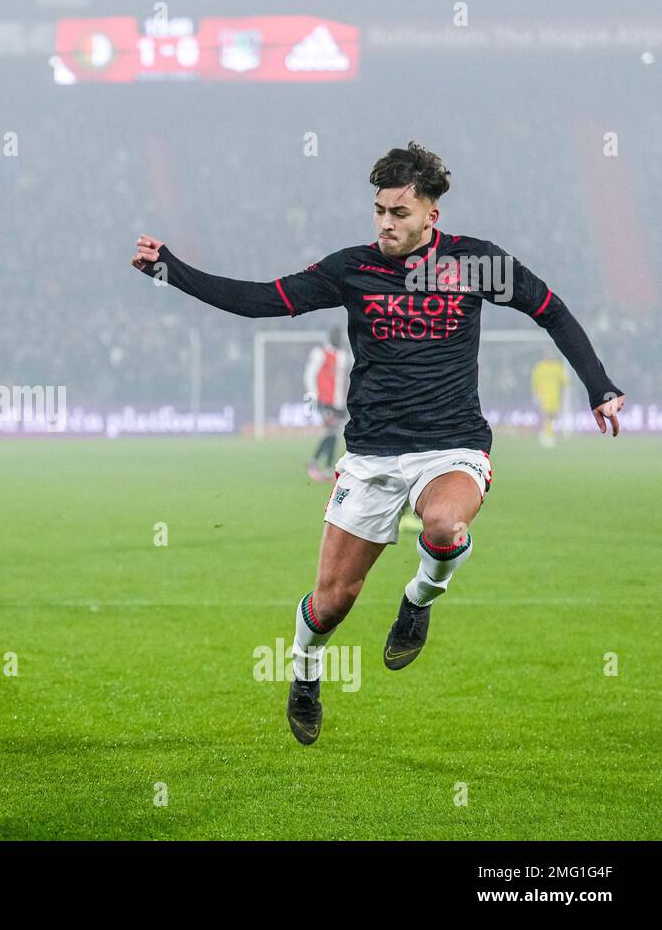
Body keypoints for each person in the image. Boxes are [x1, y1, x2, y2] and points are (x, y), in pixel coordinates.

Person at [132, 142, 624, 745]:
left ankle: (419, 598)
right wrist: (170, 269)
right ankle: (306, 673)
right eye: (379, 211)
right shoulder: (351, 268)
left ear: (430, 216)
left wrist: (599, 386)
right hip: (371, 455)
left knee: (443, 525)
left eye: (399, 212)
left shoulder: (476, 264)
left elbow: (551, 311)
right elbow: (261, 301)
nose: (386, 224)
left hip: (452, 446)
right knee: (333, 601)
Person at [303, 326, 351, 482]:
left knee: (334, 433)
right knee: (330, 431)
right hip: (325, 400)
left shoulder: (343, 356)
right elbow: (309, 375)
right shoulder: (320, 353)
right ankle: (316, 463)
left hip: (339, 401)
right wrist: (313, 396)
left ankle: (327, 468)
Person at [531, 350, 568, 448]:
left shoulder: (557, 366)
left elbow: (564, 380)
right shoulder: (540, 367)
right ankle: (548, 436)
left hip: (555, 396)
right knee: (547, 416)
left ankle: (545, 433)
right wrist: (535, 393)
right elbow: (534, 381)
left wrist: (568, 382)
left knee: (552, 416)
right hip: (544, 396)